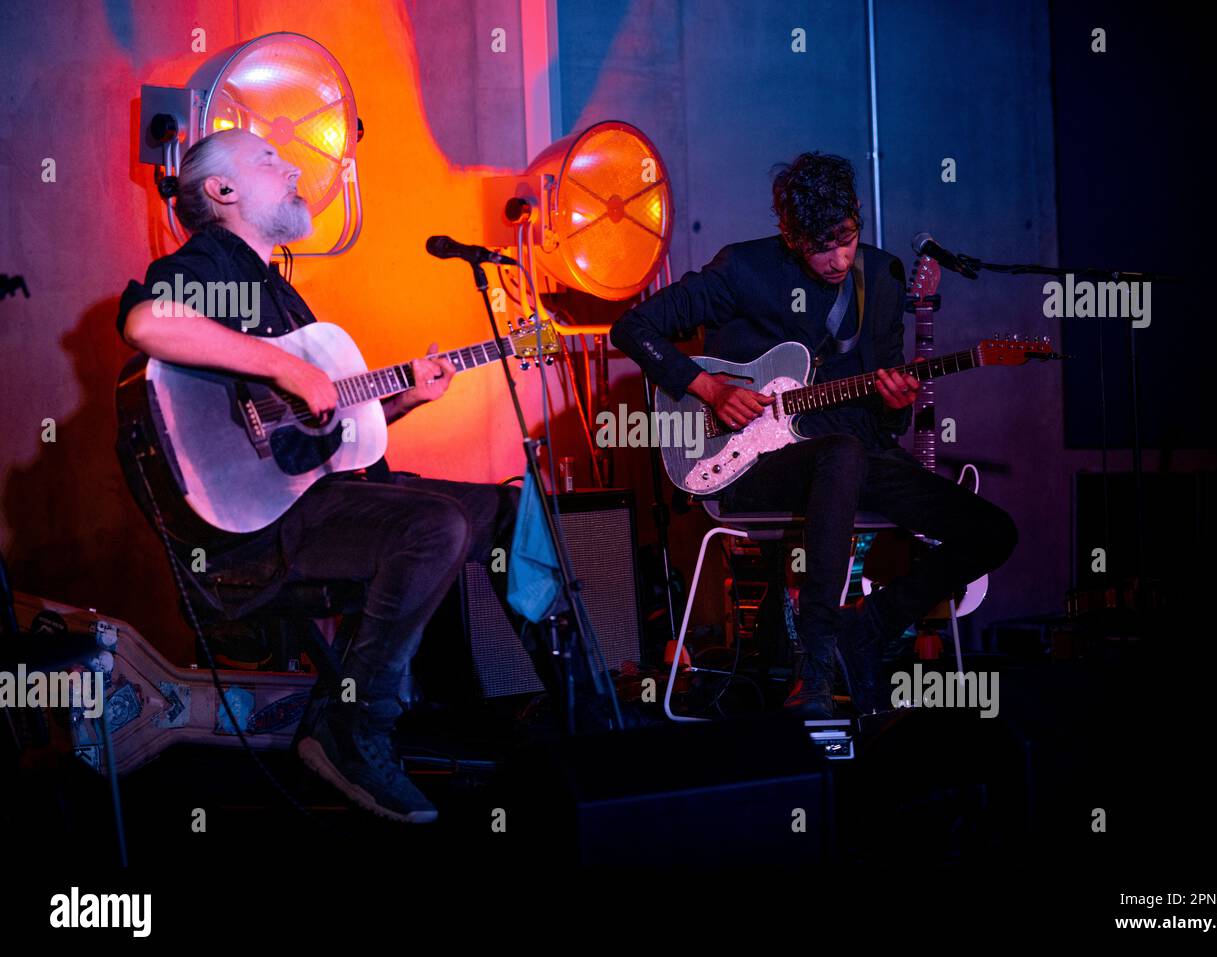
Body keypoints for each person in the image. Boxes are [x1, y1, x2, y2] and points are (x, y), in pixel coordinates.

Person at [116, 129, 521, 824]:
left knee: (493, 509)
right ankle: (352, 725)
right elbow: (147, 322)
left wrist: (402, 399)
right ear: (222, 191)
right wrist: (282, 366)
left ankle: (472, 709)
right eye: (269, 160)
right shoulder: (209, 261)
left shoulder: (280, 290)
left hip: (312, 500)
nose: (295, 167)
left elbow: (325, 437)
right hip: (248, 530)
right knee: (434, 527)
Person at [610, 152, 1018, 718]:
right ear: (789, 236)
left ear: (856, 217)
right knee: (843, 455)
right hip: (753, 463)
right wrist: (709, 389)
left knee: (992, 532)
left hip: (855, 456)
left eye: (845, 238)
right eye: (818, 246)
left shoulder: (879, 275)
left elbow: (882, 419)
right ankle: (817, 664)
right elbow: (632, 327)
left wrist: (895, 405)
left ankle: (868, 626)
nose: (835, 258)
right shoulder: (744, 271)